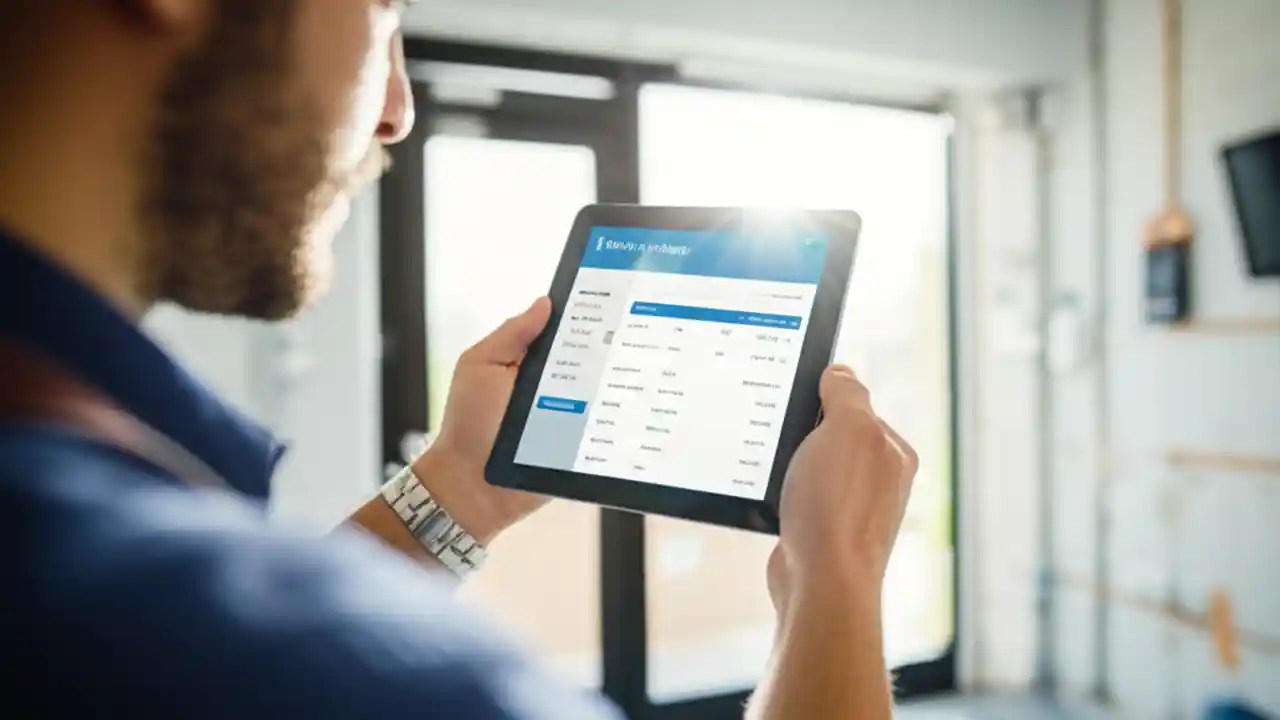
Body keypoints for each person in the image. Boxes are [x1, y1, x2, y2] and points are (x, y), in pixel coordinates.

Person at [0, 1, 918, 718]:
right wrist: (834, 578)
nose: (396, 109)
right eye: (383, 9)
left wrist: (462, 487)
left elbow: (194, 655)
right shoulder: (373, 679)